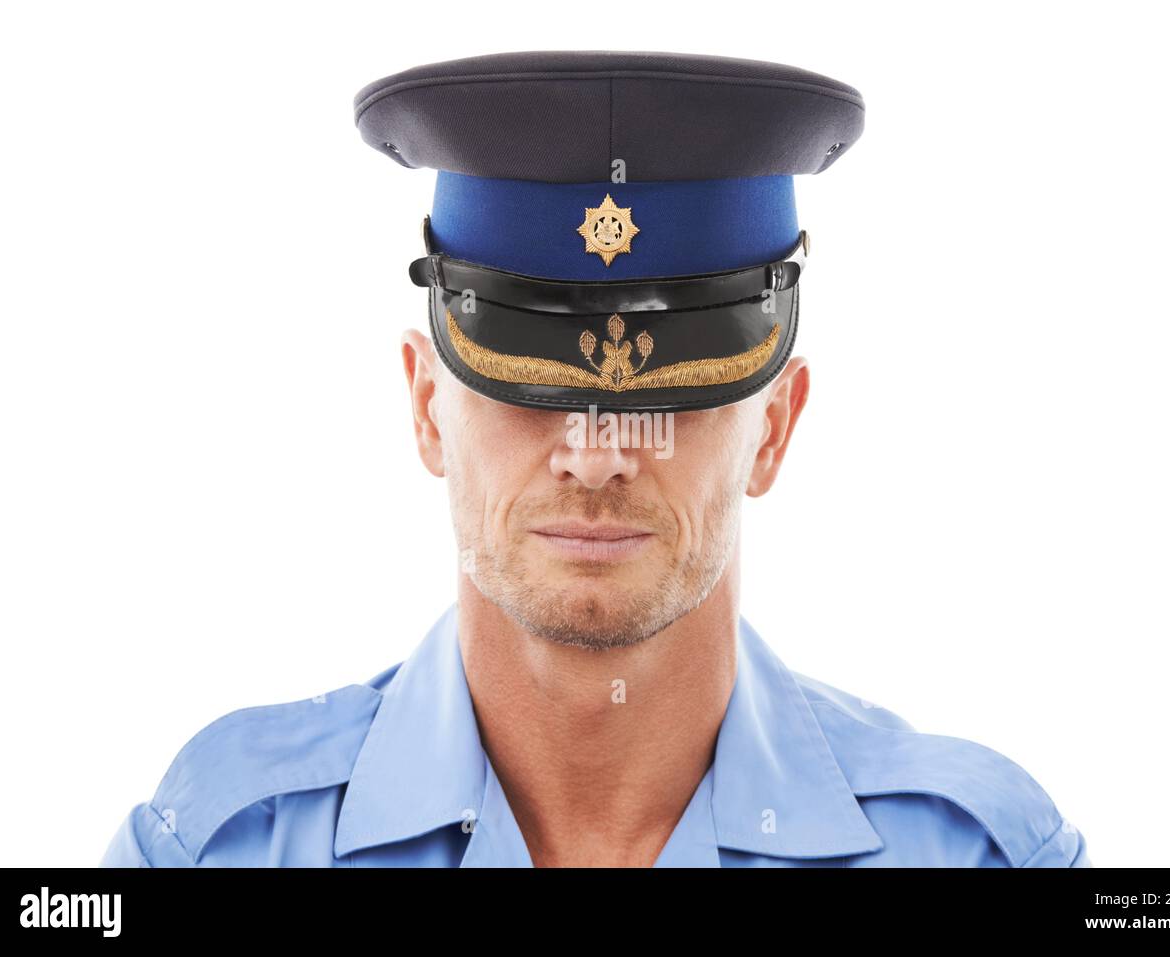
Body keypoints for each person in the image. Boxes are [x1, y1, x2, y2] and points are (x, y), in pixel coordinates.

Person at [99, 51, 1090, 868]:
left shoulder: (982, 858)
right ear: (425, 408)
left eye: (670, 390)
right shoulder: (218, 849)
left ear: (775, 427)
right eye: (527, 382)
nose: (595, 453)